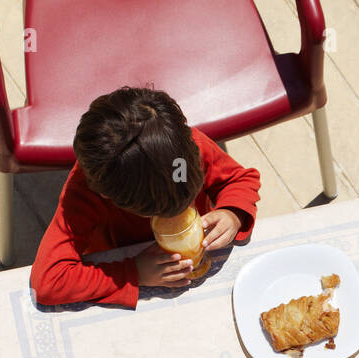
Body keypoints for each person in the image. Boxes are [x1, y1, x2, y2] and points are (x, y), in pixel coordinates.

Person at [30, 86, 261, 308]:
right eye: (155, 212)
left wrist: (233, 213)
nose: (176, 216)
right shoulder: (85, 192)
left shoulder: (182, 154)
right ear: (105, 194)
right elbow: (49, 282)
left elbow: (238, 180)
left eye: (186, 198)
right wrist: (133, 273)